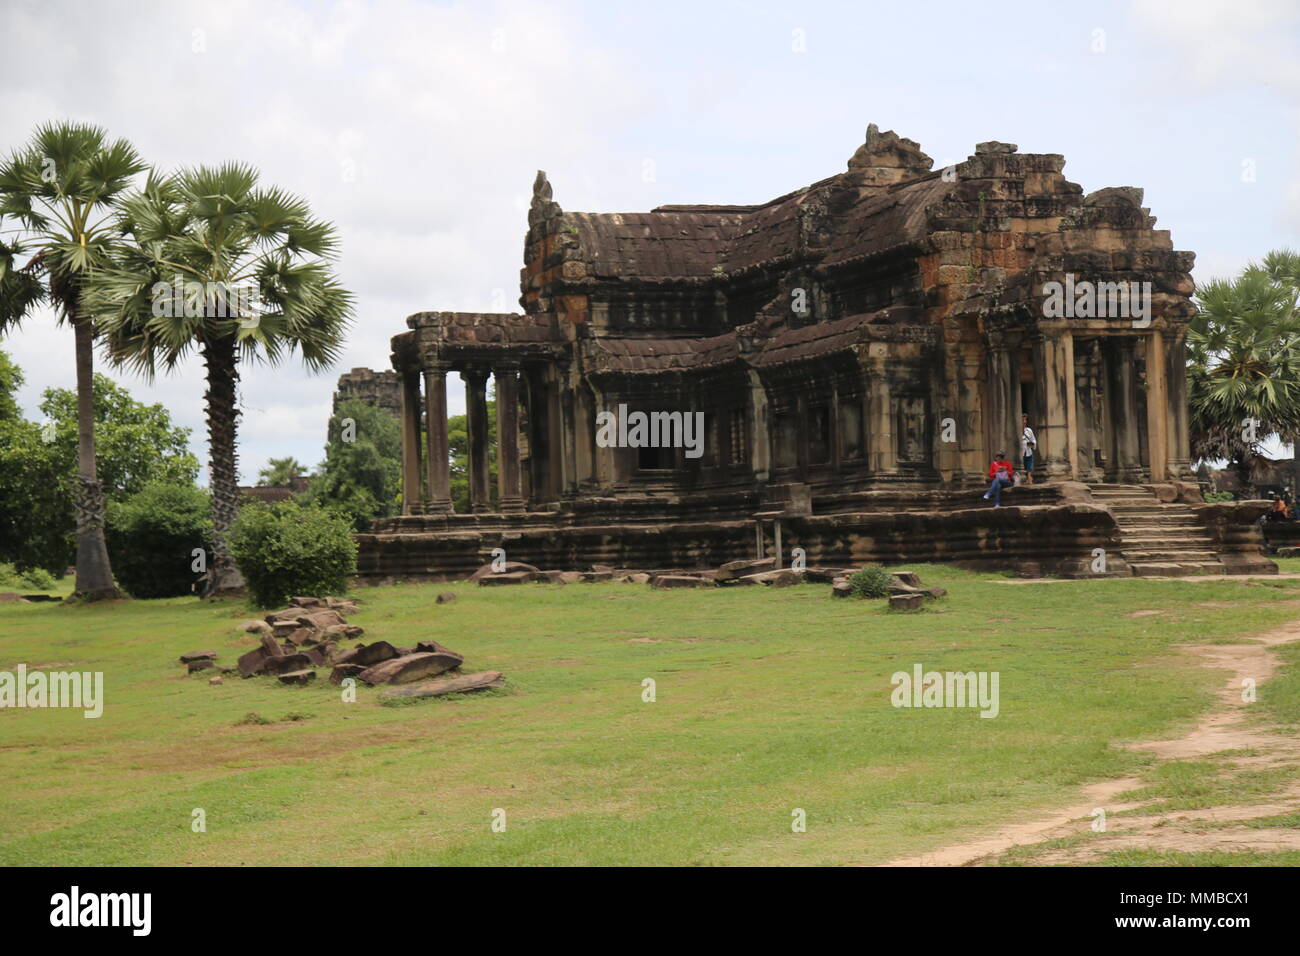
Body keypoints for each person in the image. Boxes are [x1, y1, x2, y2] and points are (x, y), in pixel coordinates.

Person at [1020, 415, 1037, 485]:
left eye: (1025, 420)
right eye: (1023, 420)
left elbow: (1033, 439)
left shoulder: (1029, 430)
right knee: (1023, 465)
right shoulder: (1016, 431)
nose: (1024, 422)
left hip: (1028, 450)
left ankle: (1029, 478)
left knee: (1029, 465)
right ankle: (1025, 479)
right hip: (1021, 452)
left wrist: (1032, 444)